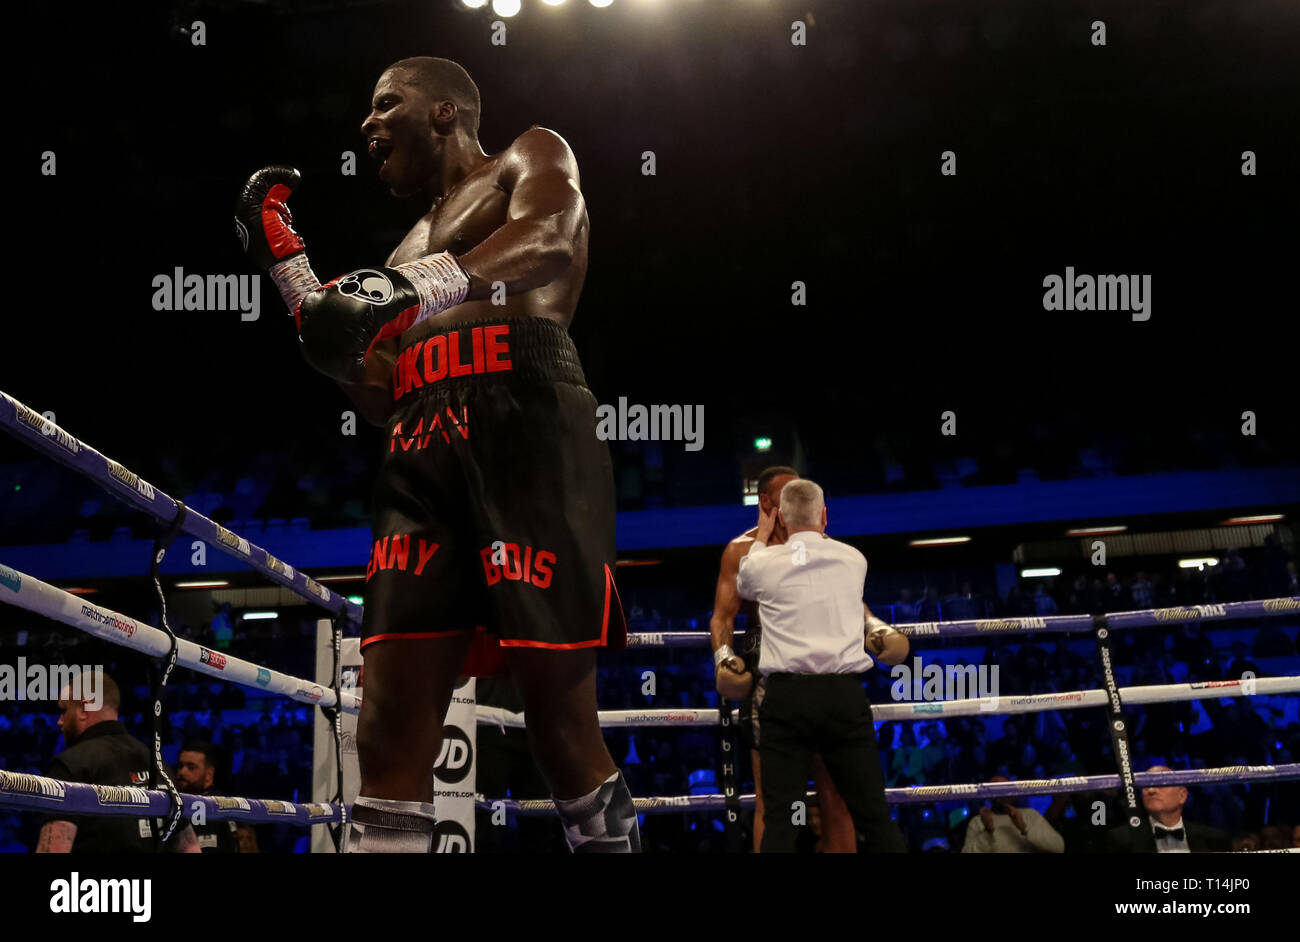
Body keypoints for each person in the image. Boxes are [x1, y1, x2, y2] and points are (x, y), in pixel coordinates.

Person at [236, 57, 632, 853]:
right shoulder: (405, 248)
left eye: (386, 106)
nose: (367, 127)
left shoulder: (529, 153)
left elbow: (552, 236)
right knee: (385, 727)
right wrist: (296, 284)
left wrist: (415, 287)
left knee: (557, 722)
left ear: (446, 112)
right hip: (418, 442)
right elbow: (380, 385)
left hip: (522, 417)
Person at [735, 478, 909, 853]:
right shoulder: (853, 559)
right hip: (841, 697)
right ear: (825, 516)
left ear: (780, 517)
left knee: (781, 818)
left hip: (785, 698)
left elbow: (745, 584)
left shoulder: (761, 562)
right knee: (874, 816)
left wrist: (764, 535)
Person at [710, 466, 857, 852]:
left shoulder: (824, 548)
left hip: (823, 670)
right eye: (786, 497)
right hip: (765, 674)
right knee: (773, 801)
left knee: (835, 795)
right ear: (767, 504)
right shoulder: (741, 550)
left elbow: (853, 604)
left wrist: (875, 627)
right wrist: (724, 658)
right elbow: (722, 617)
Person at [37, 674, 200, 853]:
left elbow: (54, 849)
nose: (60, 721)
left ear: (84, 709)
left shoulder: (72, 764)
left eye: (64, 710)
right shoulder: (157, 762)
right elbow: (190, 847)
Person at [1105, 765, 1230, 853]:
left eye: (1160, 784)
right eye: (1146, 785)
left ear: (1182, 795)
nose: (1151, 790)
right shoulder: (1122, 839)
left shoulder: (1213, 838)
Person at [175, 740, 247, 853]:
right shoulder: (176, 803)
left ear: (209, 774)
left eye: (191, 767)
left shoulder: (218, 806)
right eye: (180, 766)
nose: (182, 772)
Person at [960, 777, 1064, 853]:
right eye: (996, 790)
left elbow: (1058, 847)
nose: (1001, 795)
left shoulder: (1030, 815)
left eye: (1005, 789)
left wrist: (1024, 828)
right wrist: (987, 831)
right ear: (989, 796)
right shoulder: (978, 821)